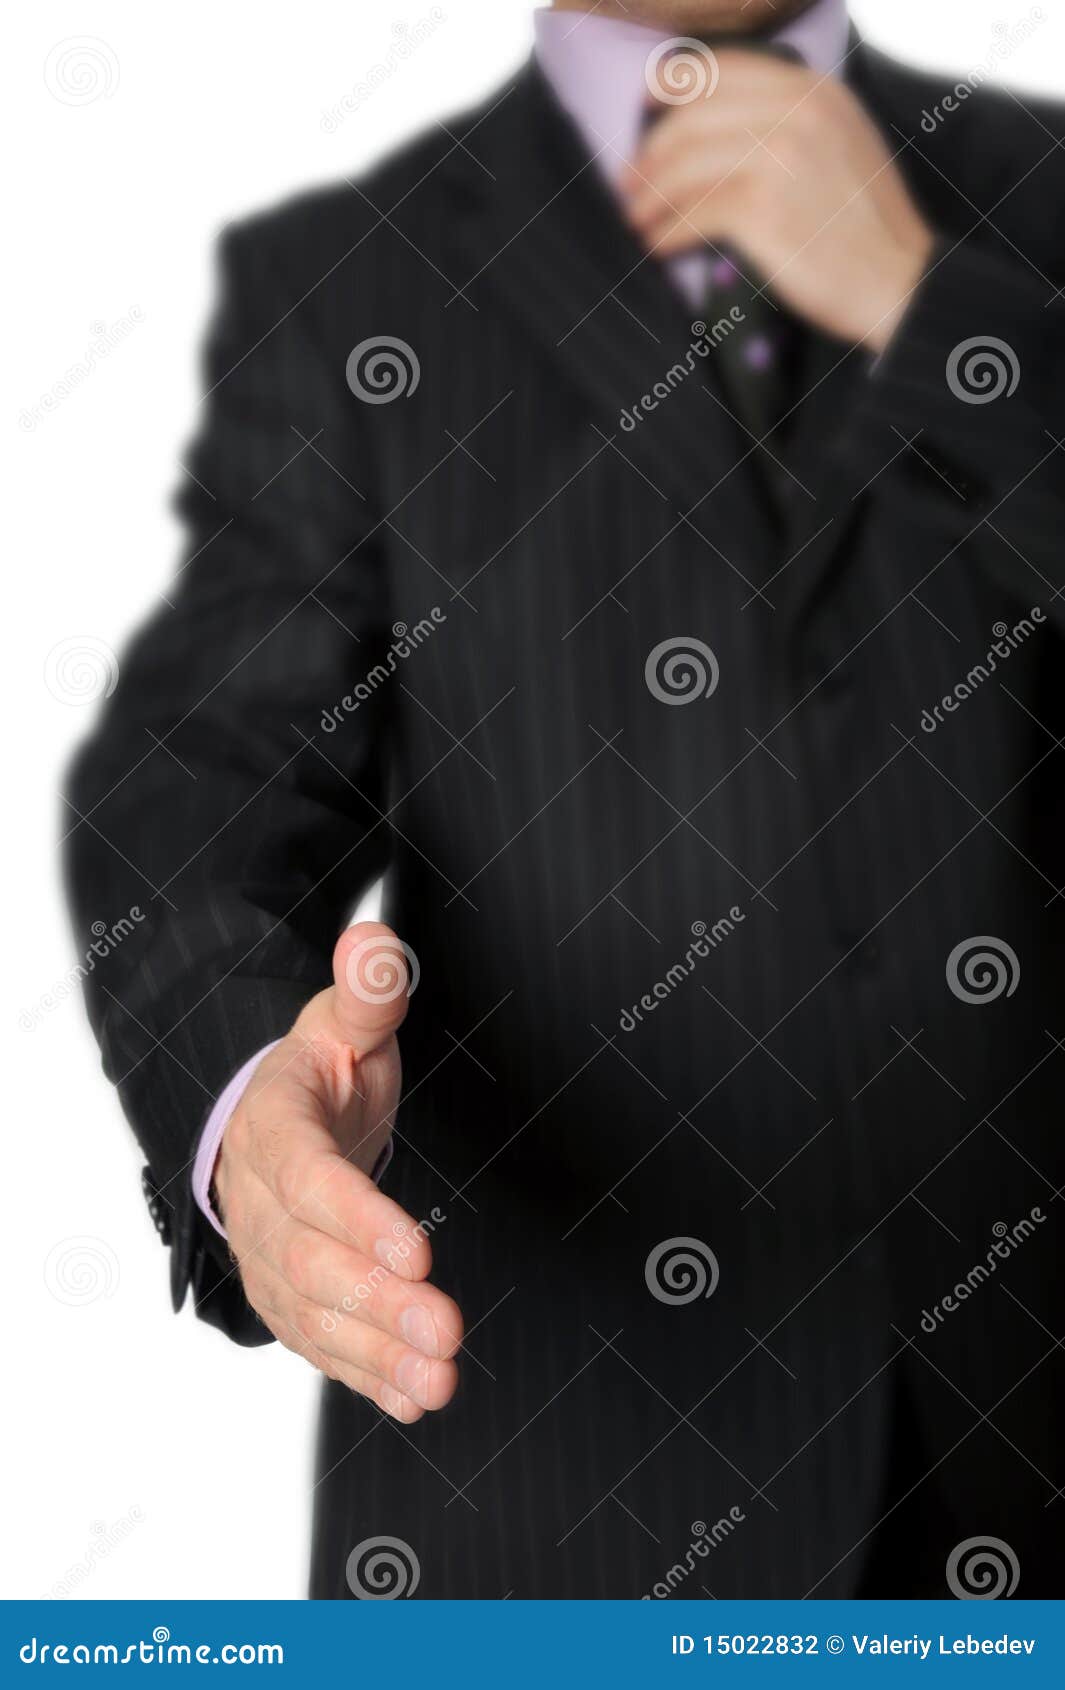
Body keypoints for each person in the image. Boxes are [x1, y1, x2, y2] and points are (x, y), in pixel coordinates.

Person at [67, 0, 1065, 1598]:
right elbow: (194, 782)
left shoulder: (1044, 201)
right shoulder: (351, 289)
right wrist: (248, 1096)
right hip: (561, 1505)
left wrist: (940, 315)